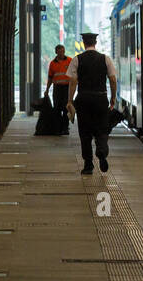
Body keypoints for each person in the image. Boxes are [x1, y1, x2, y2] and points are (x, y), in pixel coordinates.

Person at [66, 31, 118, 175]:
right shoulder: (105, 59)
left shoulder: (77, 59)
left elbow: (73, 82)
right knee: (102, 128)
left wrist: (70, 101)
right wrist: (113, 98)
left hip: (83, 99)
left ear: (84, 43)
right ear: (95, 43)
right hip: (101, 99)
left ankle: (88, 165)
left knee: (85, 132)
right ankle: (101, 152)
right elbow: (113, 80)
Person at [47, 45, 72, 135]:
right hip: (57, 88)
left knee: (66, 108)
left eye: (63, 51)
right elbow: (50, 77)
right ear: (56, 52)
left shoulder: (70, 61)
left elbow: (74, 75)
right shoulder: (52, 63)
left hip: (67, 88)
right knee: (57, 108)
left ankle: (65, 128)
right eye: (60, 51)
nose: (62, 53)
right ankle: (58, 128)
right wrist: (47, 89)